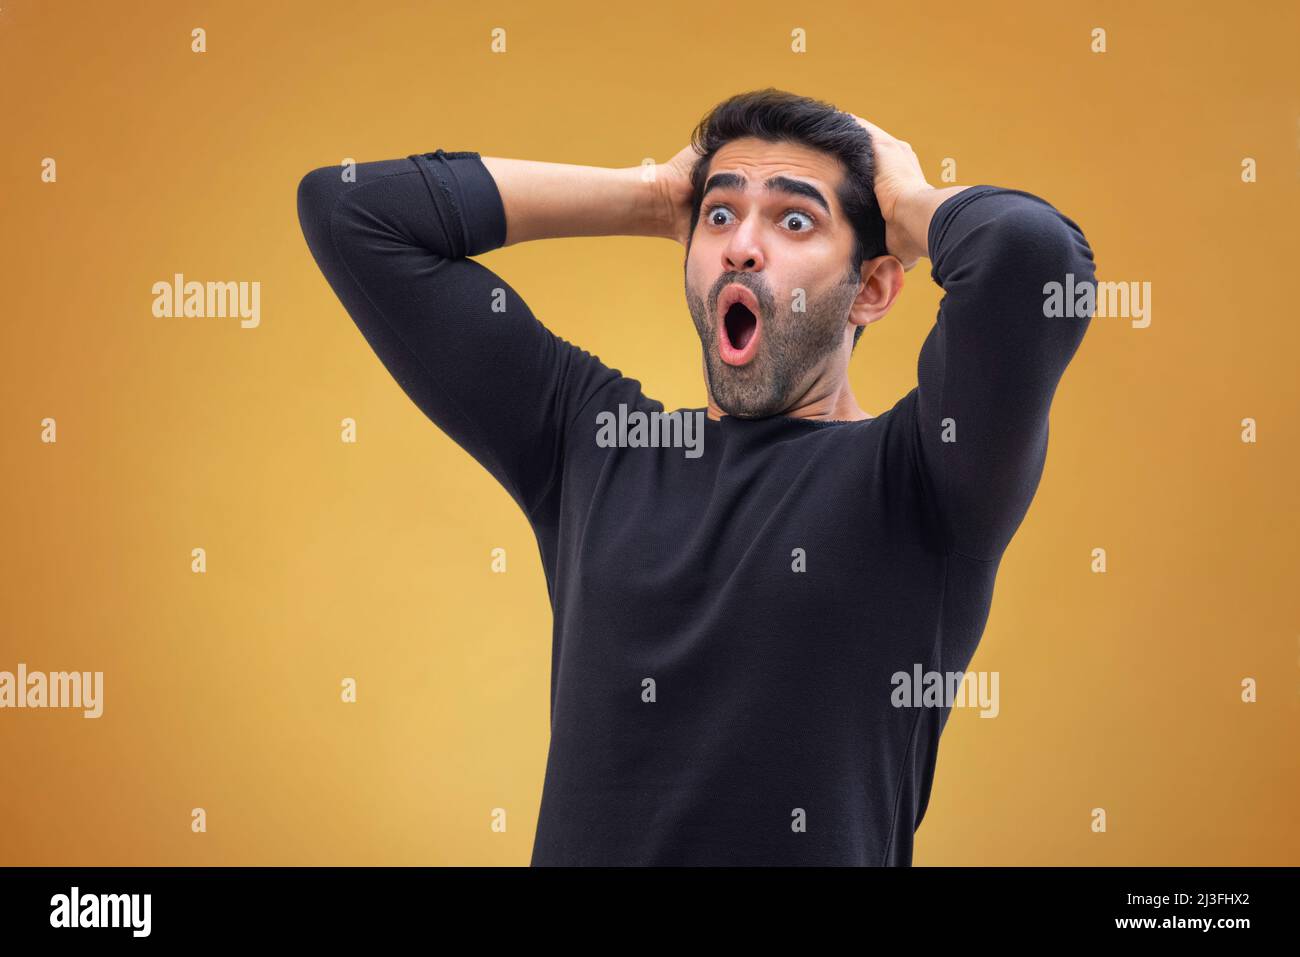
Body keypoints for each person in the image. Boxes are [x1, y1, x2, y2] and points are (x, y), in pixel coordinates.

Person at [296, 88, 1096, 865]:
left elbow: (1033, 257)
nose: (742, 245)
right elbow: (351, 210)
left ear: (875, 287)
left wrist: (907, 197)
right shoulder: (592, 443)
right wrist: (650, 196)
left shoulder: (926, 477)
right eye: (719, 215)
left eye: (794, 219)